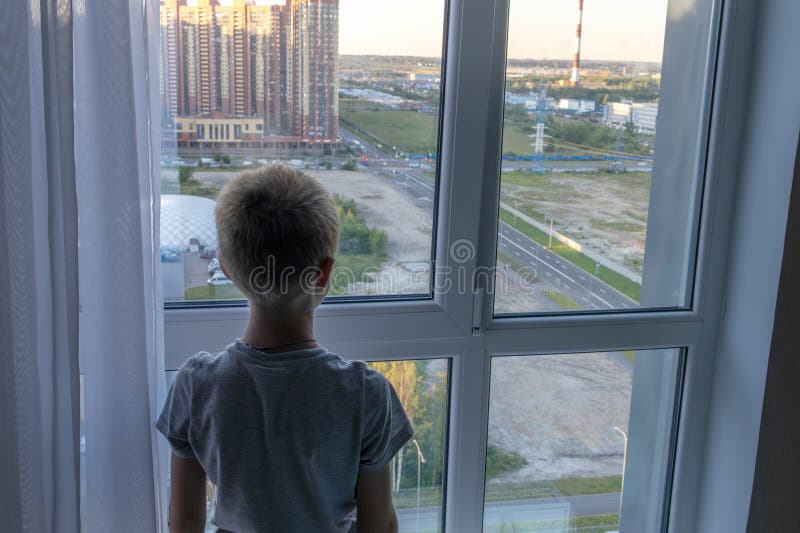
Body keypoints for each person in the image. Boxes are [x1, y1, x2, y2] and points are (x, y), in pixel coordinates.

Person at [157, 165, 413, 533]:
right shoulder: (364, 394)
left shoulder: (196, 386)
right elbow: (380, 525)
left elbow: (184, 521)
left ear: (227, 269)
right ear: (324, 273)